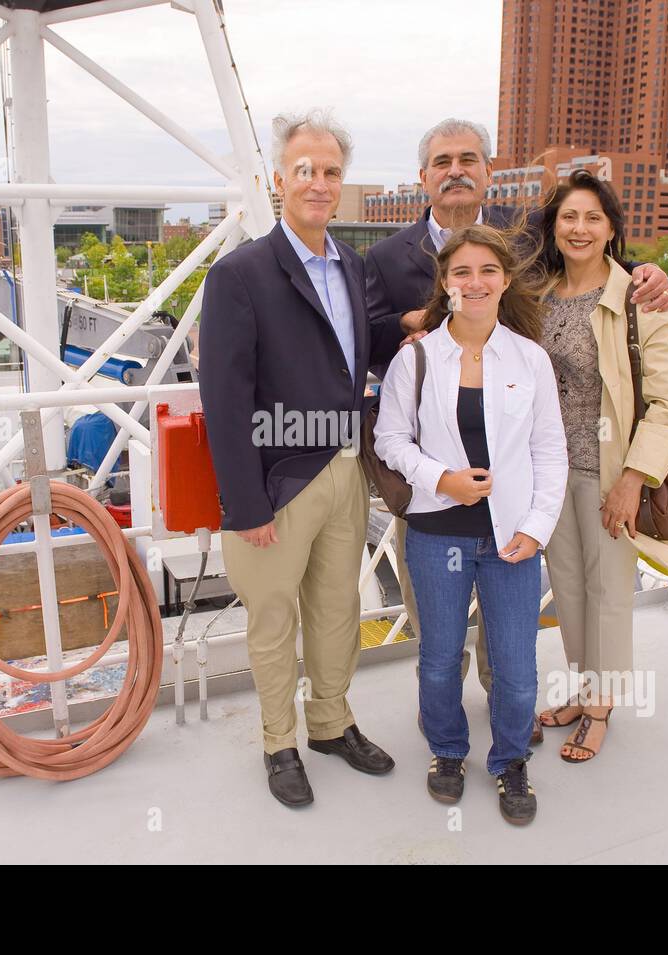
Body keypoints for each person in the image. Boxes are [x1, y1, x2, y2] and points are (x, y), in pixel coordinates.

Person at [365, 118, 668, 727]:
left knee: (533, 606)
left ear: (488, 170)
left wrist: (647, 273)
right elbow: (372, 345)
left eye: (470, 159)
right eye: (443, 161)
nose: (457, 170)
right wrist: (407, 329)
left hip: (537, 460)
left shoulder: (530, 231)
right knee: (441, 615)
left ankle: (514, 706)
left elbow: (594, 245)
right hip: (438, 473)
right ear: (424, 176)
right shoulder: (383, 256)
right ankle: (442, 709)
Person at [198, 110, 410, 808]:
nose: (318, 183)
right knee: (272, 618)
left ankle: (330, 721)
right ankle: (278, 740)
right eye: (305, 171)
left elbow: (354, 354)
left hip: (346, 470)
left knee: (335, 609)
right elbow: (225, 400)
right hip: (278, 478)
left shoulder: (350, 264)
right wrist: (245, 503)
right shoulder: (240, 275)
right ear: (278, 180)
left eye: (330, 172)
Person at [532, 170, 668, 763]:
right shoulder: (540, 291)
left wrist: (633, 479)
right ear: (554, 225)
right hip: (552, 469)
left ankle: (600, 708)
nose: (579, 228)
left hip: (611, 472)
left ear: (611, 229)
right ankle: (583, 688)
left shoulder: (638, 298)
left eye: (592, 218)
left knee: (608, 592)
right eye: (569, 217)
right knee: (569, 590)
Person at [374, 224, 567, 824]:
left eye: (487, 271)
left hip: (511, 537)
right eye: (462, 272)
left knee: (514, 662)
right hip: (438, 533)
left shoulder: (530, 358)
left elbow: (549, 450)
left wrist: (536, 527)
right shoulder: (419, 358)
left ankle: (510, 760)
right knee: (438, 657)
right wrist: (441, 479)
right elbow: (390, 440)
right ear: (445, 283)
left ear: (505, 280)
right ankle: (448, 750)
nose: (475, 282)